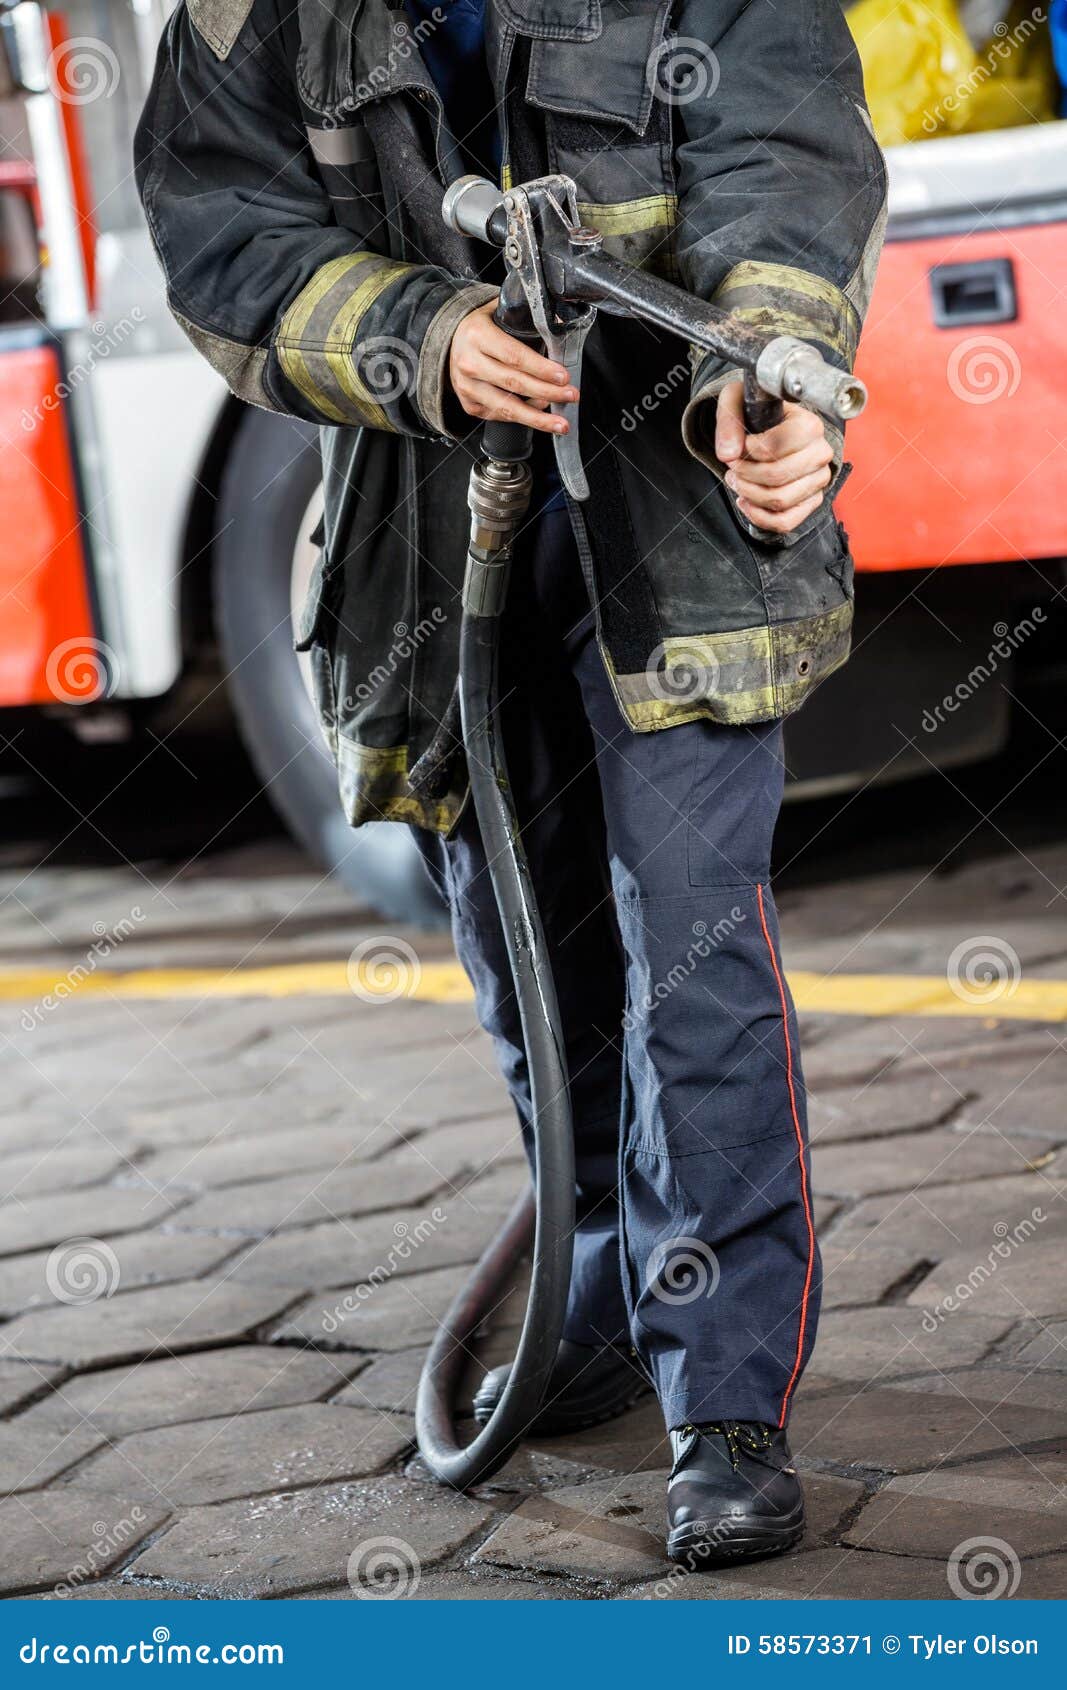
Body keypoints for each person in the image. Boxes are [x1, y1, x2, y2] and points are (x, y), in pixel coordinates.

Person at [136, 0, 886, 1567]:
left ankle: (725, 1399)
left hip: (677, 516)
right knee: (526, 950)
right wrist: (420, 334)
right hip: (436, 549)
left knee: (693, 954)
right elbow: (220, 219)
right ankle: (602, 1295)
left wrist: (771, 371)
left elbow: (785, 143)